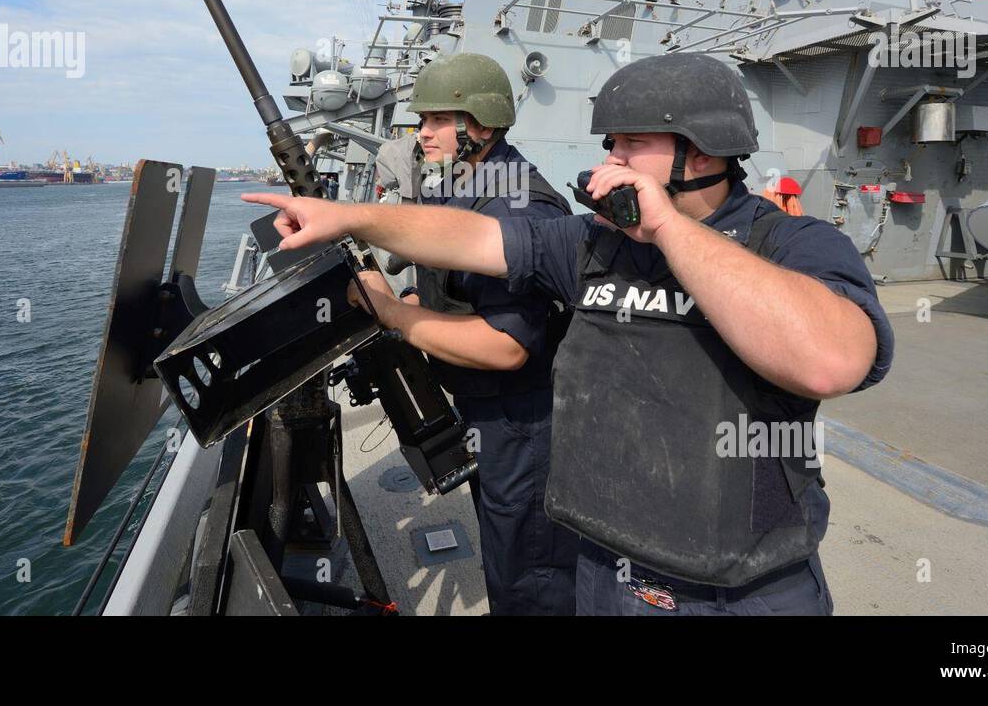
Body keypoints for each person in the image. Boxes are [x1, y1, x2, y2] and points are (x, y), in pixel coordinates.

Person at [245, 52, 895, 615]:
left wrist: (668, 227)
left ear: (700, 150)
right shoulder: (591, 244)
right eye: (608, 145)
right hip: (609, 568)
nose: (608, 163)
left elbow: (829, 360)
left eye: (628, 146)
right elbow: (476, 237)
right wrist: (347, 216)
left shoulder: (791, 241)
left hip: (741, 586)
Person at [351, 52, 578, 615]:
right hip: (490, 414)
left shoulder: (516, 205)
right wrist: (413, 299)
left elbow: (507, 345)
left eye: (436, 120)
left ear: (479, 123)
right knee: (506, 549)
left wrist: (393, 315)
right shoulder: (467, 185)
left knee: (528, 573)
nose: (422, 134)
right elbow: (459, 289)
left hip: (524, 424)